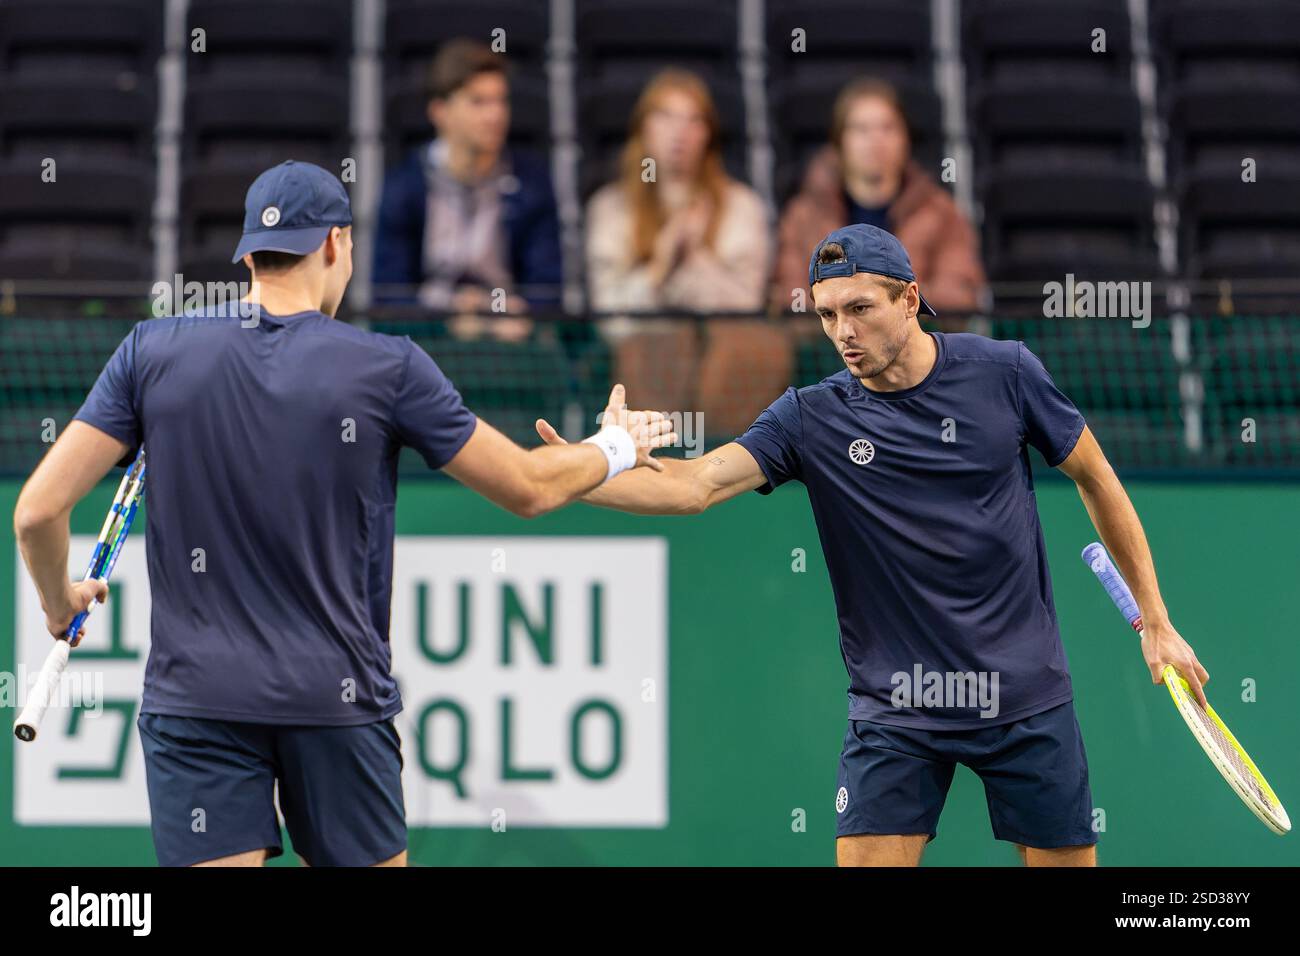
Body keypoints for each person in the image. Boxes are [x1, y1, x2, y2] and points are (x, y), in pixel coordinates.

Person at [12, 160, 673, 867]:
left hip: (194, 703)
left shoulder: (152, 351)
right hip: (337, 700)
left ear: (249, 256)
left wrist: (60, 600)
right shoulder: (388, 367)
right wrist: (614, 445)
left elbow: (37, 512)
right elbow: (528, 487)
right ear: (335, 244)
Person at [536, 223, 1208, 867]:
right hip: (897, 710)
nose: (843, 333)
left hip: (1024, 698)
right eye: (827, 316)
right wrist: (591, 466)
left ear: (909, 298)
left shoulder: (1005, 372)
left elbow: (1096, 477)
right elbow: (692, 486)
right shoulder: (809, 416)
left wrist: (1157, 620)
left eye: (858, 308)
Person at [585, 68, 781, 439]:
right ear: (643, 128)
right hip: (648, 370)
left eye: (694, 120)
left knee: (757, 348)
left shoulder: (742, 206)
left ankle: (734, 456)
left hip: (724, 372)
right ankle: (660, 456)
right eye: (666, 117)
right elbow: (612, 322)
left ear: (708, 134)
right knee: (656, 346)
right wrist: (659, 268)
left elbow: (745, 310)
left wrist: (693, 262)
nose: (680, 133)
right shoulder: (611, 208)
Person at [372, 39, 562, 340]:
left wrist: (522, 311)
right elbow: (387, 296)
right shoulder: (404, 185)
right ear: (440, 112)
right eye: (478, 102)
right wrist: (445, 315)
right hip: (428, 338)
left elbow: (549, 286)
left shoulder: (532, 181)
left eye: (501, 101)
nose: (496, 115)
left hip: (512, 340)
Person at [773, 78, 986, 326]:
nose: (876, 140)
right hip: (827, 352)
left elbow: (959, 300)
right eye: (861, 129)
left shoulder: (941, 213)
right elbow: (790, 301)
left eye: (887, 128)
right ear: (840, 141)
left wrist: (870, 299)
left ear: (906, 139)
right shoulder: (804, 216)